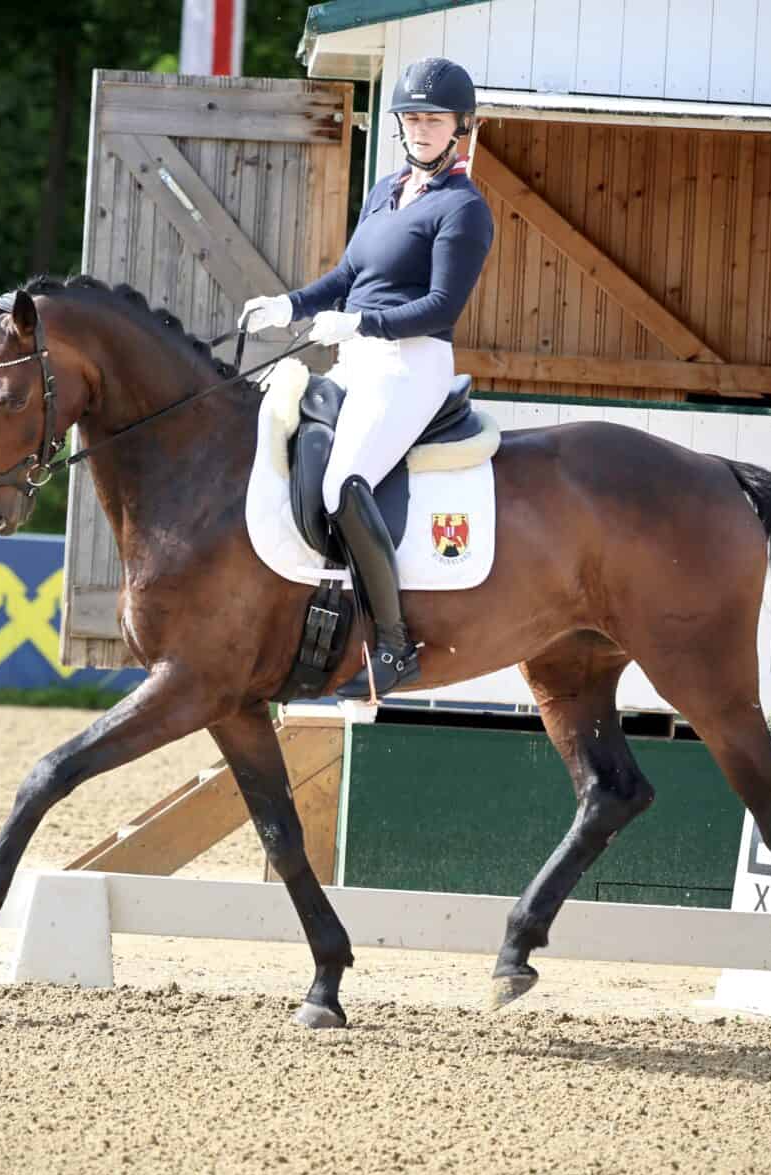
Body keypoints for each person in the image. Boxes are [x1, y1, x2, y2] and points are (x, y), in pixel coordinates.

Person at [239, 56, 495, 699]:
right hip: (358, 359)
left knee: (343, 483)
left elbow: (441, 307)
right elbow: (348, 278)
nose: (421, 129)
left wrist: (361, 326)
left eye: (434, 119)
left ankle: (393, 645)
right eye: (412, 117)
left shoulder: (464, 210)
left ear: (459, 127)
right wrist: (290, 305)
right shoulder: (385, 190)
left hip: (412, 364)